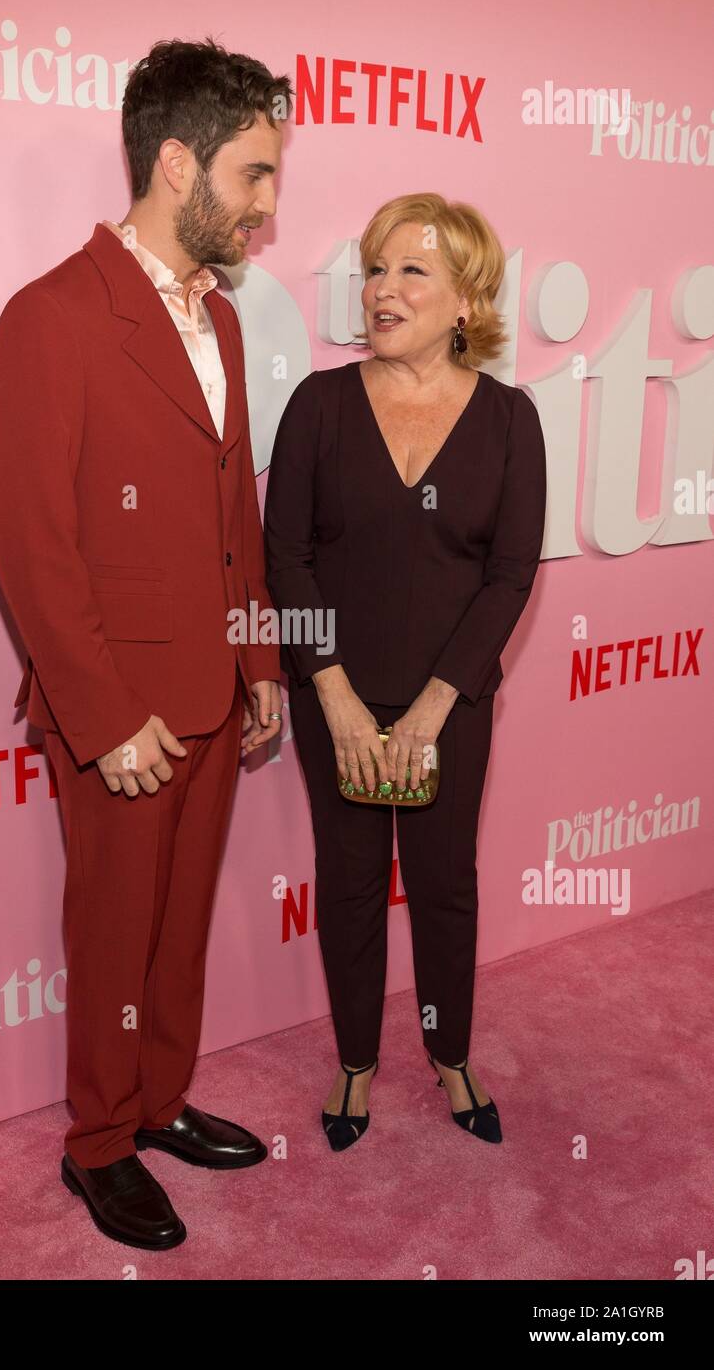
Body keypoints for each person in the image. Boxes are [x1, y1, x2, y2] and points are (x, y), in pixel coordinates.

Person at [0, 39, 290, 1248]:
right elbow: (30, 546)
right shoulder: (49, 316)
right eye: (255, 176)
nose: (268, 208)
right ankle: (99, 1141)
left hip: (213, 686)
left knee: (175, 926)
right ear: (178, 163)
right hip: (120, 705)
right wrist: (105, 717)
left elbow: (235, 514)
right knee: (114, 929)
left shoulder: (216, 316)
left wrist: (258, 659)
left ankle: (159, 1102)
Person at [263, 193, 547, 1150]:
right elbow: (285, 558)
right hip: (335, 695)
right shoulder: (319, 403)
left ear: (466, 298)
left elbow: (510, 577)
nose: (381, 289)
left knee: (442, 882)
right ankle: (355, 1064)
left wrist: (433, 706)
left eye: (410, 271)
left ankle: (451, 1053)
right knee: (347, 880)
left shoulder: (511, 422)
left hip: (449, 703)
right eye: (375, 268)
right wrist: (333, 693)